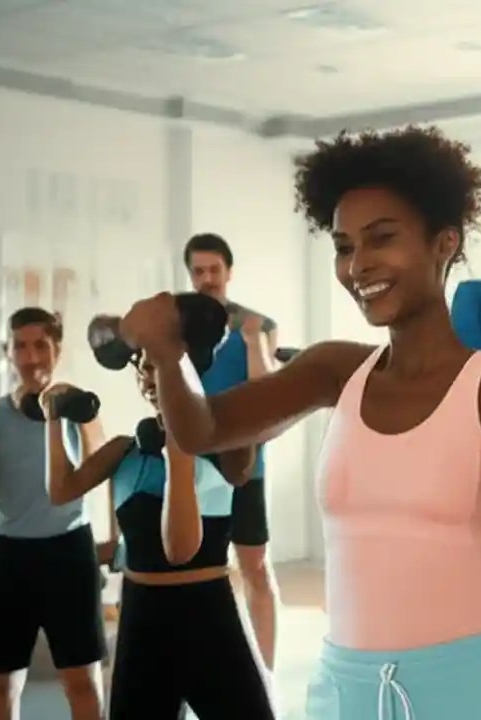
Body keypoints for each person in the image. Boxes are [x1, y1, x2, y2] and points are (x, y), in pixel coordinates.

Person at [119, 125, 481, 720]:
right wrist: (169, 355)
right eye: (343, 246)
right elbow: (202, 429)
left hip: (471, 685)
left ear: (444, 243)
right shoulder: (335, 369)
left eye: (382, 239)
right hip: (346, 688)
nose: (358, 265)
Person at [42, 351, 273, 719]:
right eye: (144, 368)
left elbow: (179, 548)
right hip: (142, 615)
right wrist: (52, 419)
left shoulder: (223, 449)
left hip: (208, 617)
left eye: (161, 365)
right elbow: (61, 490)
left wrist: (177, 452)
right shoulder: (125, 449)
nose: (150, 376)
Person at [0, 308, 110, 720]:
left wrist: (113, 539)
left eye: (41, 345)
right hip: (11, 558)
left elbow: (101, 469)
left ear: (57, 350)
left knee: (82, 680)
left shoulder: (78, 408)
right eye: (20, 346)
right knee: (2, 681)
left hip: (70, 553)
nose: (31, 356)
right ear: (9, 353)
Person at [183, 232, 282, 671]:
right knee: (195, 572)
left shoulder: (256, 326)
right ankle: (202, 673)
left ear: (229, 272)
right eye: (198, 271)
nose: (207, 279)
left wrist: (253, 341)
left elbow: (266, 392)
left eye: (214, 270)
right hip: (191, 464)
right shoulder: (177, 325)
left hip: (243, 465)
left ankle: (266, 673)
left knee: (254, 567)